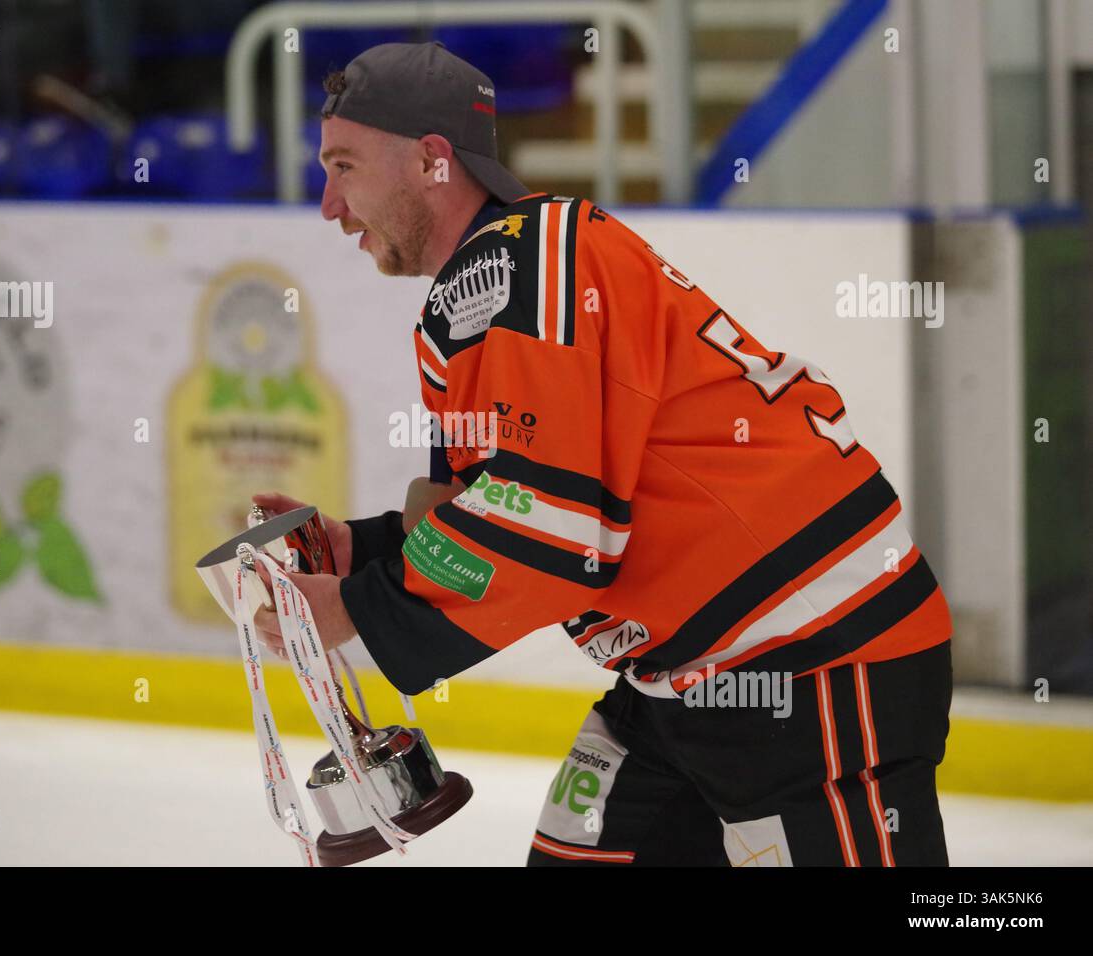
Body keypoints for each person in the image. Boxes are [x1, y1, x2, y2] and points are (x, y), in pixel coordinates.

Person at [252, 41, 953, 867]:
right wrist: (360, 550)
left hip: (813, 656)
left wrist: (360, 610)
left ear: (434, 162)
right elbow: (511, 503)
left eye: (344, 167)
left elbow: (554, 533)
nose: (329, 204)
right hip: (686, 672)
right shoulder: (505, 276)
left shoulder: (516, 268)